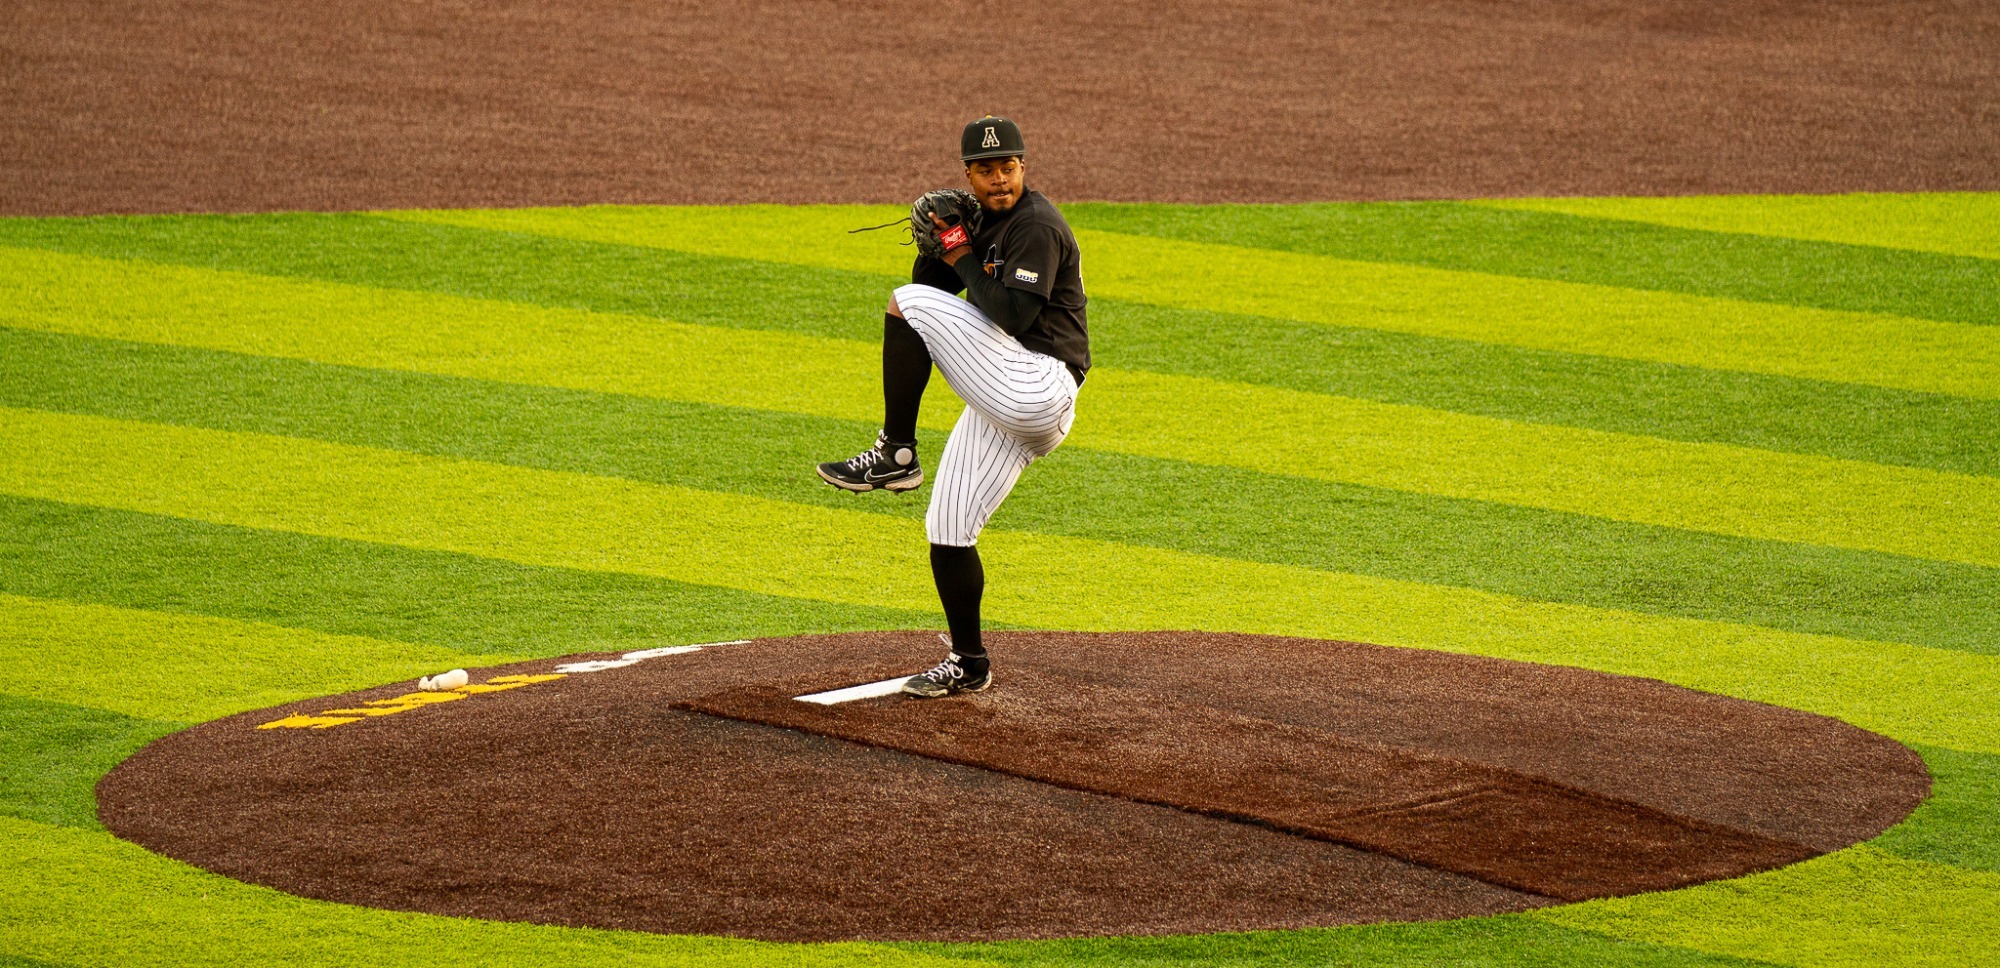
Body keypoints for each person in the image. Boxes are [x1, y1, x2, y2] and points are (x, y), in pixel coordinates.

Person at [816, 116, 1090, 698]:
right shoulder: (982, 223)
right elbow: (937, 298)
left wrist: (962, 254)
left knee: (902, 303)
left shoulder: (1035, 225)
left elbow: (1010, 316)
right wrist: (938, 250)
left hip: (1038, 383)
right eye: (986, 170)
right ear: (968, 174)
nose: (999, 180)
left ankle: (896, 451)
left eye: (1008, 167)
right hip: (1011, 401)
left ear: (1024, 167)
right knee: (949, 527)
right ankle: (969, 662)